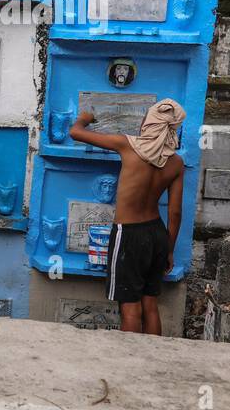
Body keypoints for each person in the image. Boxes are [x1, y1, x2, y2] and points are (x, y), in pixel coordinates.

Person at [68, 99, 186, 334]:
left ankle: (130, 367)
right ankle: (152, 361)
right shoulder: (176, 162)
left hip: (129, 235)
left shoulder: (127, 145)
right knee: (150, 305)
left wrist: (86, 117)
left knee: (130, 309)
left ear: (149, 123)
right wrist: (169, 250)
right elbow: (174, 212)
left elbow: (75, 132)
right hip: (157, 234)